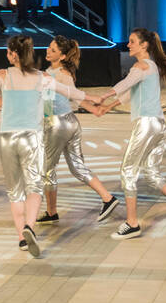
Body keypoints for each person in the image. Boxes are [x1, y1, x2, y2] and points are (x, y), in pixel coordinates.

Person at [0, 35, 97, 258]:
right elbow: (70, 93)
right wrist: (95, 98)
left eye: (8, 52)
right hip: (32, 138)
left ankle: (21, 236)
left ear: (12, 54)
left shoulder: (3, 75)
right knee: (35, 187)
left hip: (7, 139)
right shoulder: (41, 77)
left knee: (14, 190)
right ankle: (30, 225)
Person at [95, 28, 166, 239]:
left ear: (144, 45)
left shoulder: (141, 66)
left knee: (127, 171)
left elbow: (126, 84)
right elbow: (132, 93)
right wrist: (110, 105)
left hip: (146, 125)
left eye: (132, 42)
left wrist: (104, 95)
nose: (128, 45)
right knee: (151, 173)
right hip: (159, 125)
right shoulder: (150, 67)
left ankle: (132, 223)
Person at [39, 35, 118, 225]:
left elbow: (74, 96)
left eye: (53, 50)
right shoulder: (53, 71)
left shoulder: (61, 74)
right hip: (70, 123)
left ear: (63, 56)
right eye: (49, 48)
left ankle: (51, 212)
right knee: (77, 167)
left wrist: (93, 104)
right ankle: (108, 198)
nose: (48, 51)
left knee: (47, 169)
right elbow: (72, 99)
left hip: (58, 124)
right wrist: (93, 109)